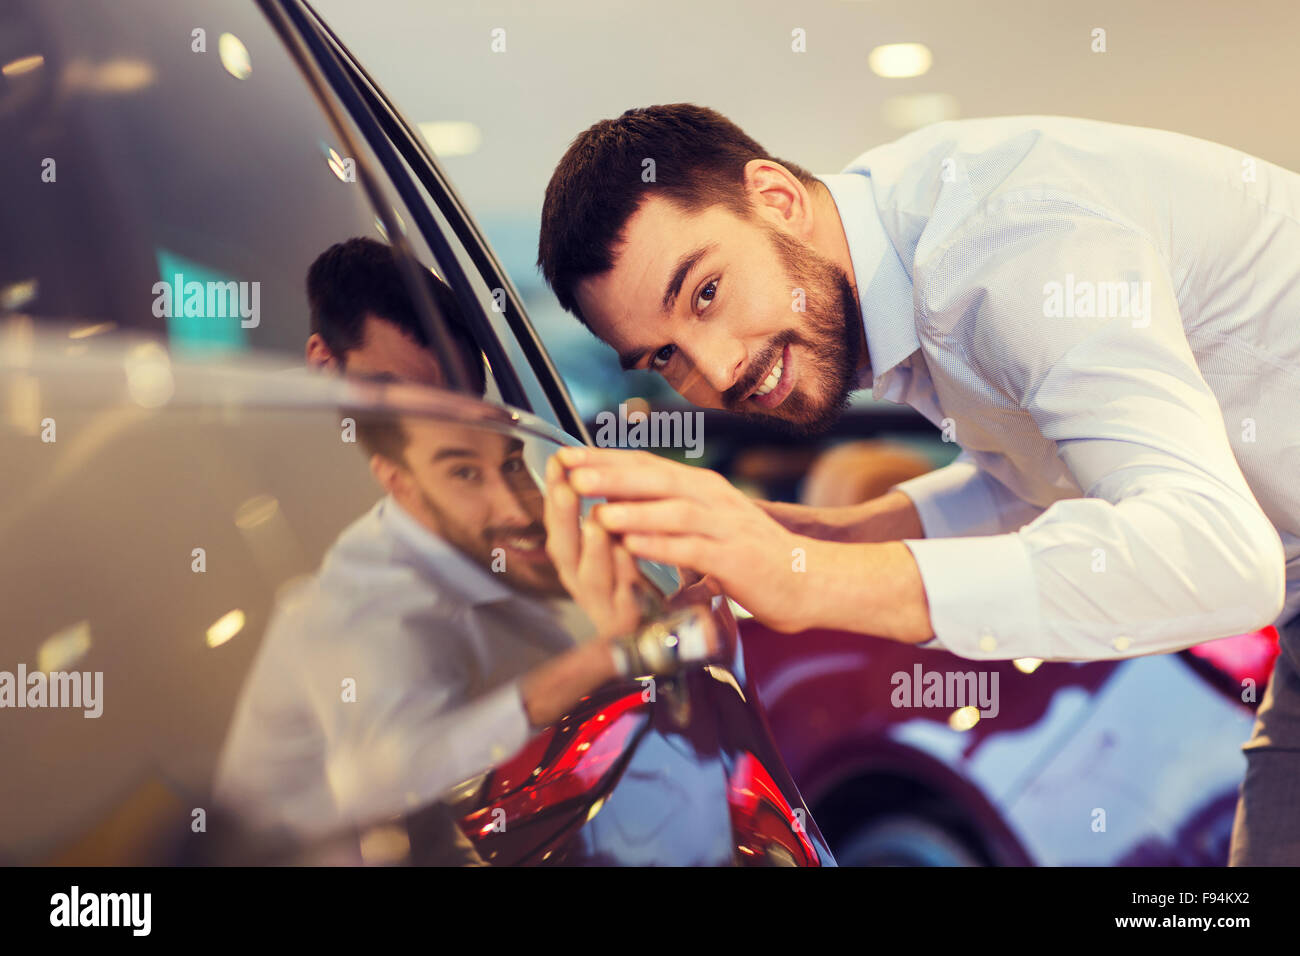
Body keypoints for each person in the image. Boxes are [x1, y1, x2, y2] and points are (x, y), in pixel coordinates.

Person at [535, 105, 1298, 864]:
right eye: (665, 356)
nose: (717, 369)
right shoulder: (906, 259)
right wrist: (800, 541)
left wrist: (814, 585)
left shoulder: (1008, 242)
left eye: (705, 293)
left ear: (776, 198)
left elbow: (1222, 555)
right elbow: (1033, 477)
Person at [214, 239, 655, 841]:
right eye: (393, 397)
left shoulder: (492, 506)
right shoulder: (339, 571)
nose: (429, 430)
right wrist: (590, 668)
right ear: (323, 366)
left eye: (454, 406)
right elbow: (390, 777)